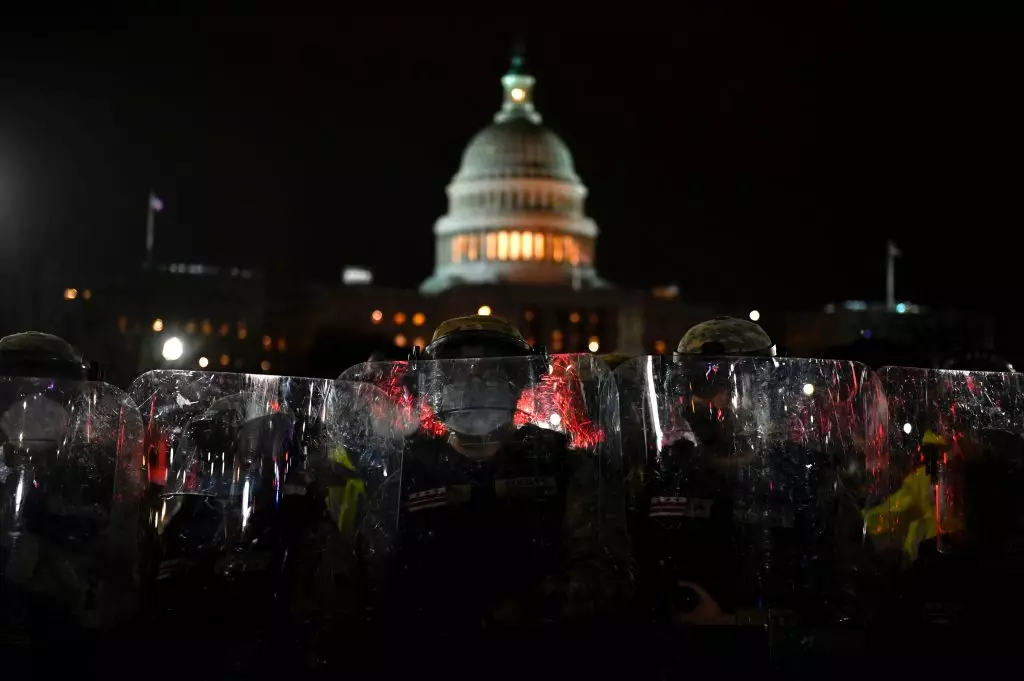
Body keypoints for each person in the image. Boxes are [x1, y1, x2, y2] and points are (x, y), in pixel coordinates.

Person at [367, 314, 624, 640]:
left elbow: (607, 572)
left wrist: (526, 608)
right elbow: (371, 577)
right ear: (433, 387)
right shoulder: (409, 477)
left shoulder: (561, 468)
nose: (474, 384)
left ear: (518, 383)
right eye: (457, 373)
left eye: (493, 372)